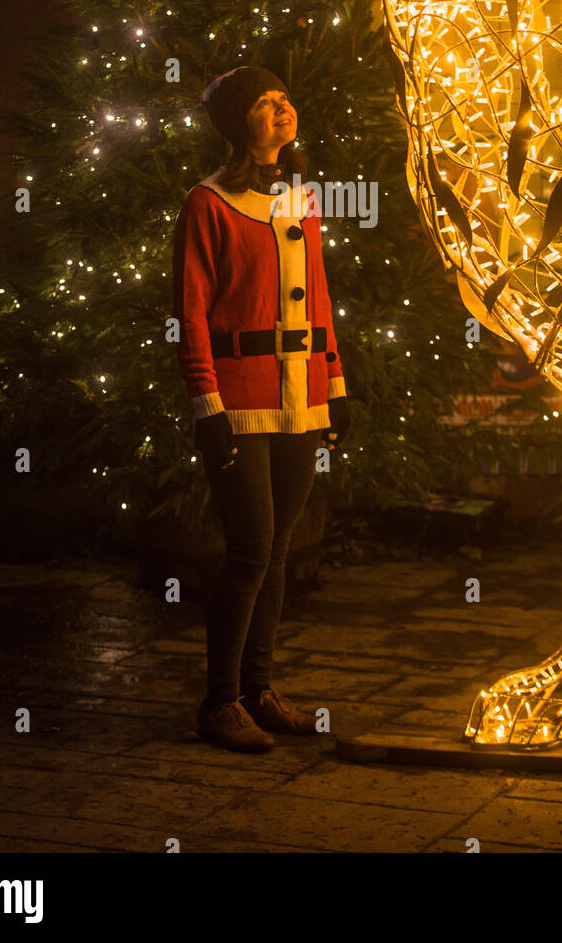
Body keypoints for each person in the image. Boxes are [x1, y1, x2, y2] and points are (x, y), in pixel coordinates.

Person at [172, 66, 350, 753]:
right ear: (234, 123)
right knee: (248, 552)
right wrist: (205, 404)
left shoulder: (300, 199)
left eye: (283, 97)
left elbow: (321, 299)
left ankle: (257, 690)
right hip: (238, 401)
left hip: (300, 398)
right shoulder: (207, 204)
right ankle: (218, 702)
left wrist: (333, 384)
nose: (280, 107)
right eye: (262, 102)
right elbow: (189, 312)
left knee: (277, 552)